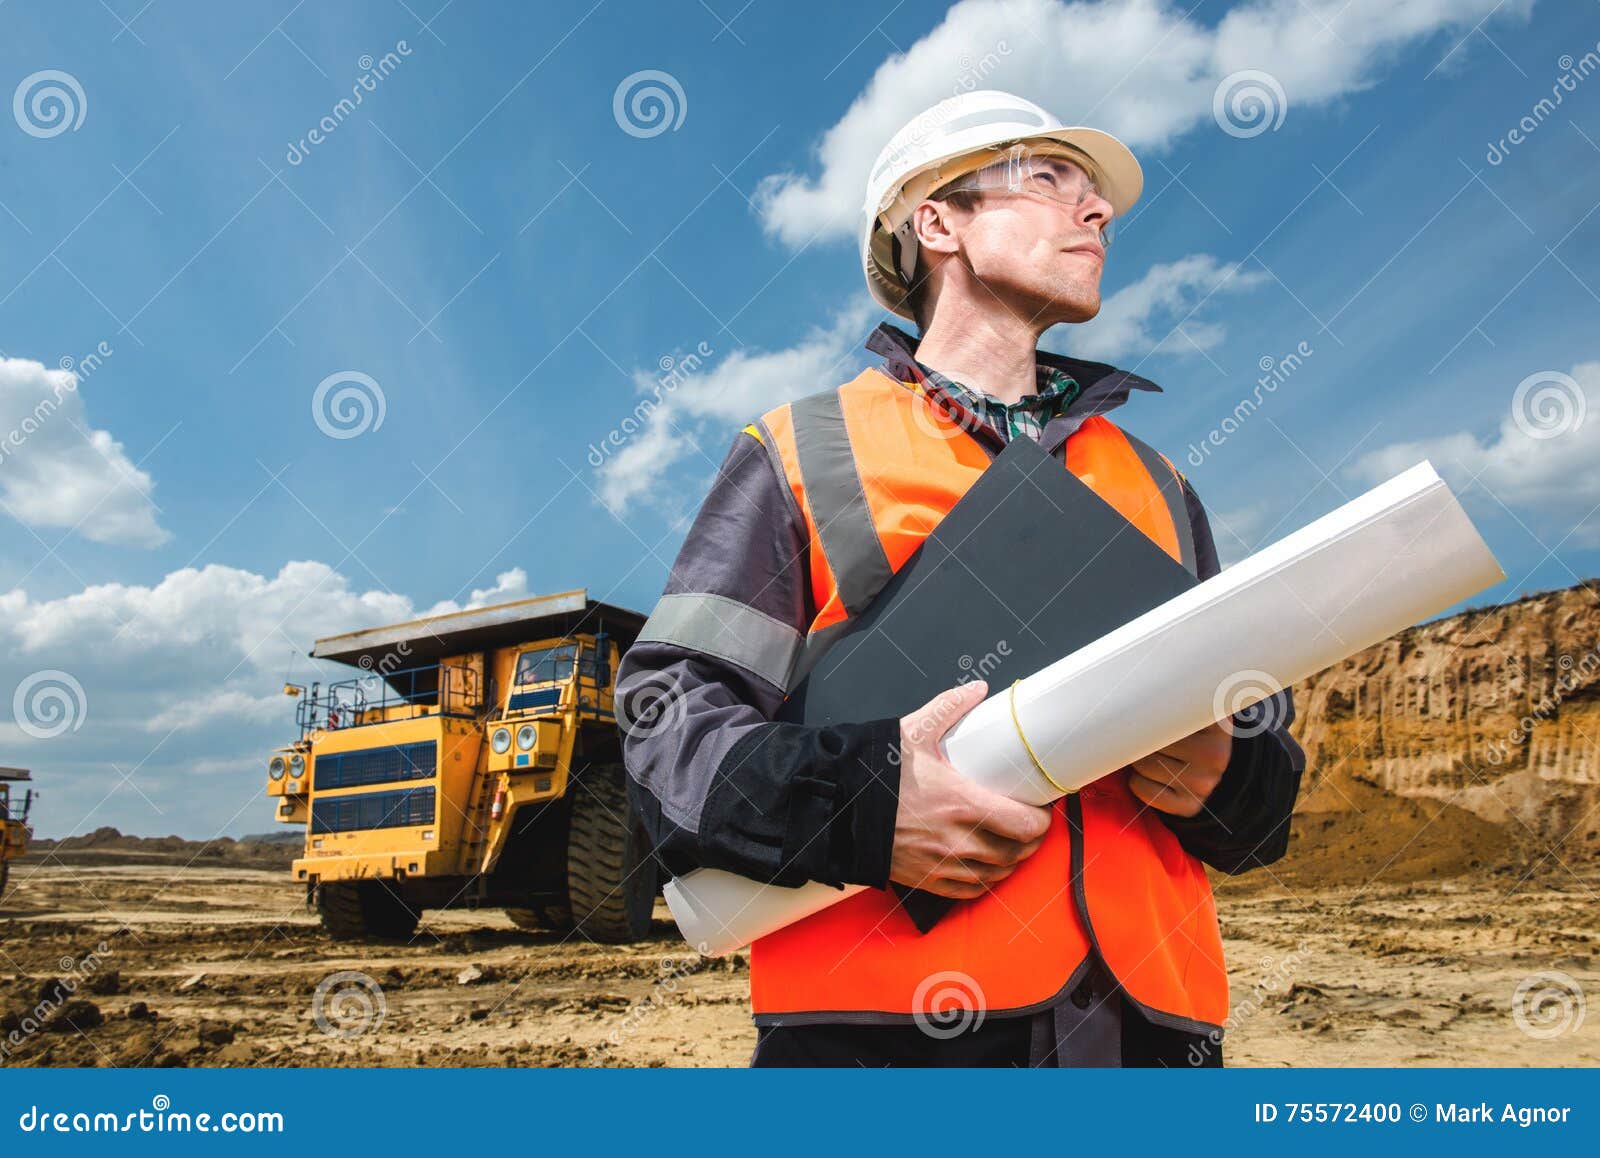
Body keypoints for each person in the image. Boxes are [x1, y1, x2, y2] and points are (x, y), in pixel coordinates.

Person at [615, 90, 1305, 1067]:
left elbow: (1266, 777)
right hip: (887, 1047)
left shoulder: (1159, 484)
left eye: (1095, 193)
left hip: (1154, 1040)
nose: (1097, 210)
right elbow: (664, 716)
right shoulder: (803, 451)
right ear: (936, 220)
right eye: (1050, 178)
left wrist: (1224, 772)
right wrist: (862, 806)